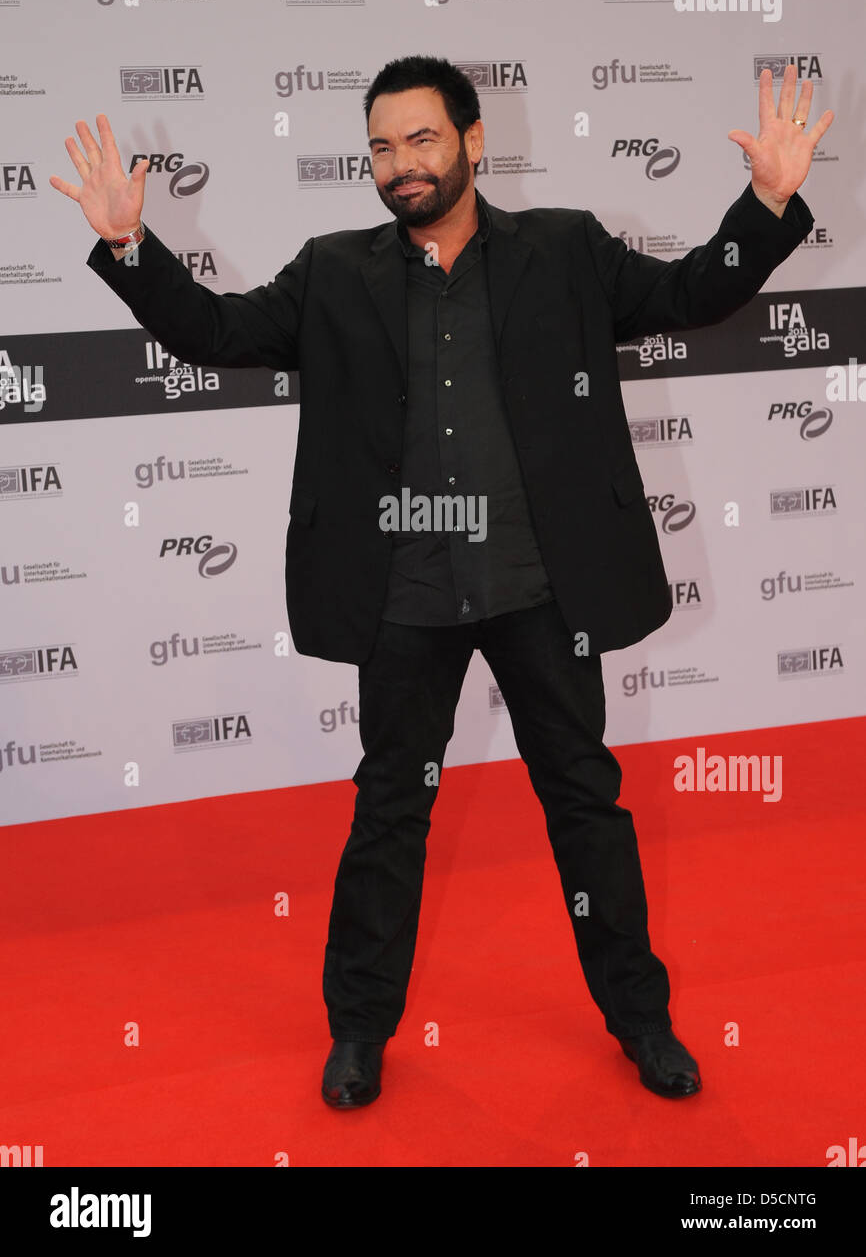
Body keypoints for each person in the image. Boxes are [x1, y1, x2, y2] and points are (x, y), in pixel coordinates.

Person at [51, 55, 833, 1110]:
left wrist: (768, 202)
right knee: (389, 813)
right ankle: (360, 1029)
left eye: (420, 139)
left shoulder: (561, 250)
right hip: (402, 594)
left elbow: (690, 292)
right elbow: (216, 333)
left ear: (471, 141)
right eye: (380, 146)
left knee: (583, 806)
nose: (400, 163)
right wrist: (126, 244)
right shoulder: (334, 270)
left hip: (539, 586)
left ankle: (639, 1018)